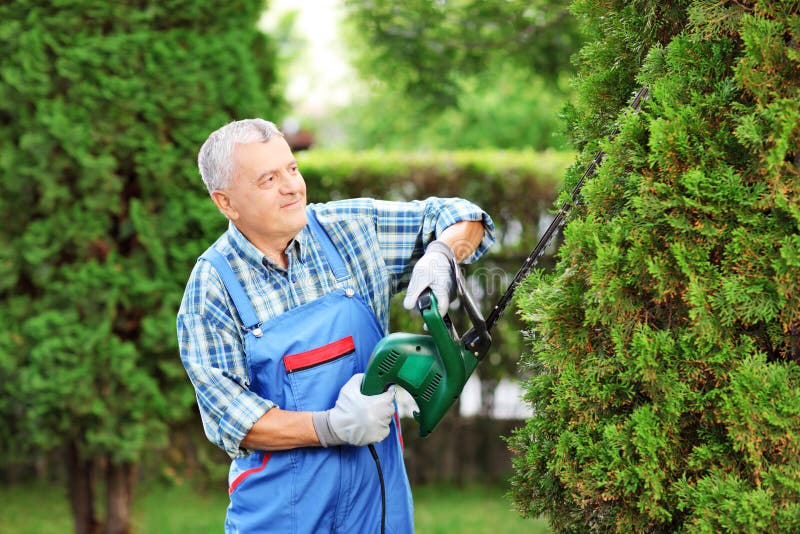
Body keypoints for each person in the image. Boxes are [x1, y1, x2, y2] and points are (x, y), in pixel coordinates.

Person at [177, 119, 495, 533]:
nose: (291, 186)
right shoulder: (211, 289)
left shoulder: (352, 230)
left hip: (378, 509)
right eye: (268, 178)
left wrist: (441, 253)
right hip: (280, 518)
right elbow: (231, 417)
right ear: (226, 202)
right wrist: (330, 426)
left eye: (291, 169)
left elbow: (465, 217)